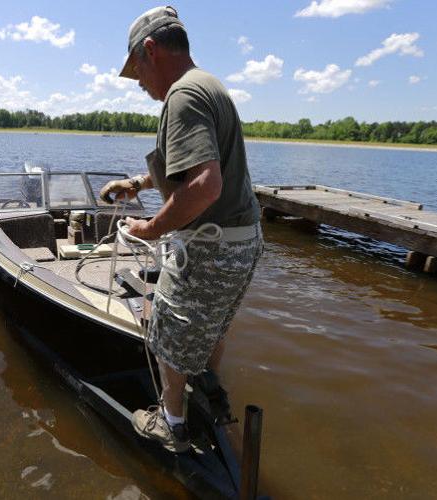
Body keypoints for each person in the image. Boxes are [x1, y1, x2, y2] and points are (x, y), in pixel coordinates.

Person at [99, 6, 263, 453]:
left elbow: (204, 185)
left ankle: (171, 425)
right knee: (212, 325)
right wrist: (137, 184)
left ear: (150, 50)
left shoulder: (181, 96)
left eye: (138, 72)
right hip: (243, 241)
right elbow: (189, 161)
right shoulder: (208, 85)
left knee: (167, 335)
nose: (139, 84)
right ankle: (207, 386)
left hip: (210, 247)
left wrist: (149, 228)